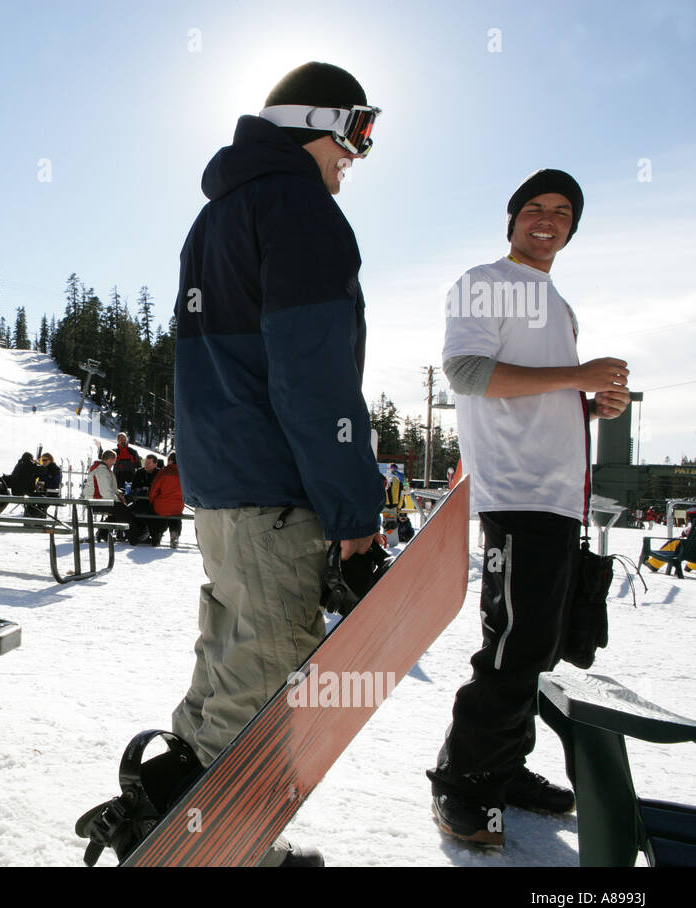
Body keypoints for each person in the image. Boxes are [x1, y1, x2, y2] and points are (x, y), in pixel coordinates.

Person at [169, 62, 386, 866]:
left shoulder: (217, 215)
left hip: (226, 488)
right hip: (273, 490)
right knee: (264, 681)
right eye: (355, 134)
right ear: (314, 123)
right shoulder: (300, 207)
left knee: (229, 656)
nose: (355, 157)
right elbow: (312, 375)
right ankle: (227, 851)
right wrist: (354, 512)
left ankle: (168, 808)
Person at [429, 169, 631, 847]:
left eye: (562, 212)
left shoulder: (557, 303)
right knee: (515, 644)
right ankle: (462, 786)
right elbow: (467, 373)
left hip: (556, 495)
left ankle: (503, 769)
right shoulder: (487, 280)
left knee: (538, 643)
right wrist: (578, 375)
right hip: (515, 489)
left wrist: (588, 401)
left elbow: (536, 391)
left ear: (572, 228)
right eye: (534, 209)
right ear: (513, 219)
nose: (547, 220)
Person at [149, 451, 185, 547]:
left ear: (171, 461)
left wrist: (152, 500)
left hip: (161, 505)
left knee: (159, 517)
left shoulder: (164, 471)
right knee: (176, 518)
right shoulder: (184, 473)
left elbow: (154, 487)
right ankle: (174, 535)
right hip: (177, 506)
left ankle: (157, 535)